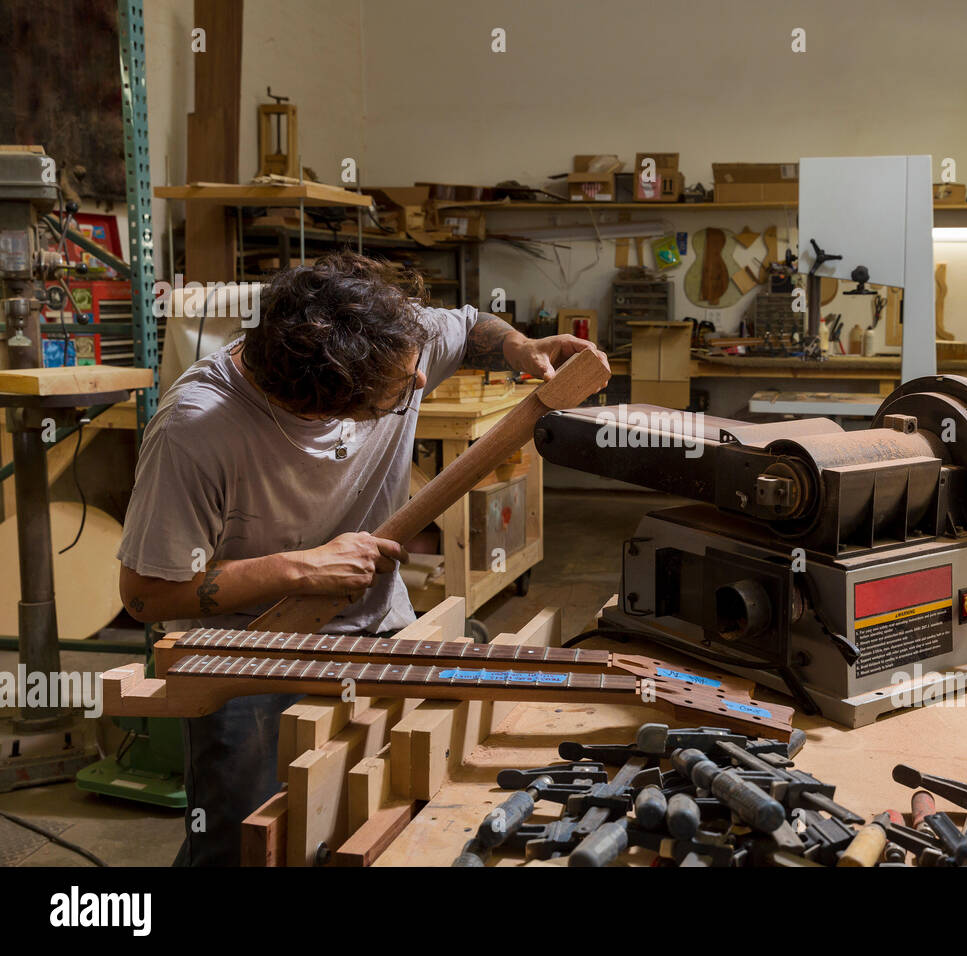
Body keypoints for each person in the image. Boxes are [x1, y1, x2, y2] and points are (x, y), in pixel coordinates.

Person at [116, 252, 608, 865]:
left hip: (378, 631)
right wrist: (302, 567)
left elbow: (472, 324)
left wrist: (515, 345)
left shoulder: (388, 342)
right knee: (241, 843)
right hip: (246, 658)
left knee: (377, 818)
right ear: (325, 405)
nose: (421, 382)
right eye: (398, 395)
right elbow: (144, 595)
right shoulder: (196, 431)